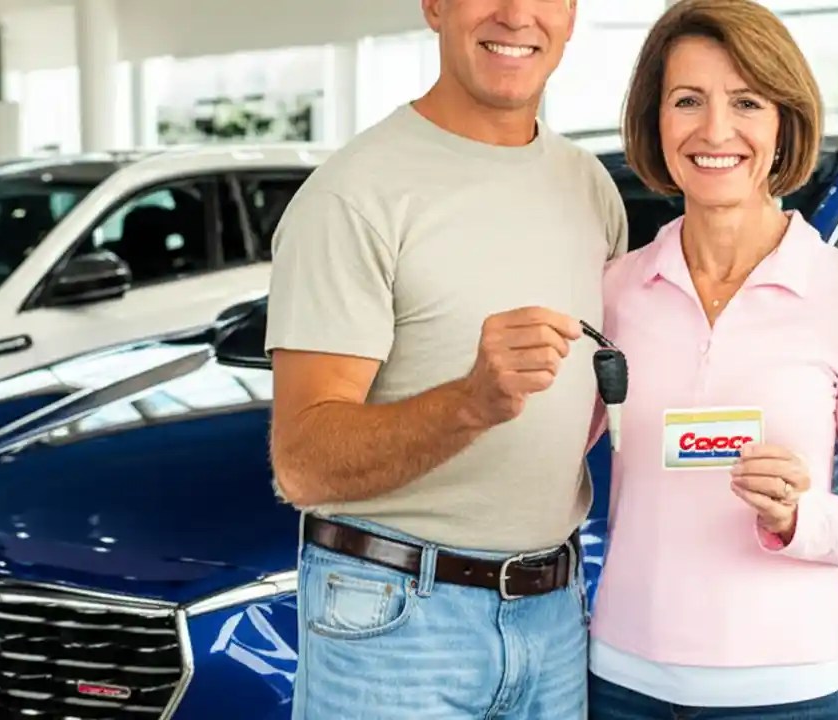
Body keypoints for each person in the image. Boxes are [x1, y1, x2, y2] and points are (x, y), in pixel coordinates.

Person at [263, 0, 627, 717]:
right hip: (395, 627)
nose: (518, 15)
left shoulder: (590, 188)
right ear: (434, 6)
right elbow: (303, 463)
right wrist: (470, 403)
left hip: (554, 615)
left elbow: (586, 409)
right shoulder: (353, 194)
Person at [586, 0, 838, 718]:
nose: (715, 130)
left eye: (746, 102)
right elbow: (551, 459)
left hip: (786, 688)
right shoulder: (614, 292)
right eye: (687, 101)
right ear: (656, 122)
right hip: (621, 681)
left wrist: (800, 517)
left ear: (783, 123)